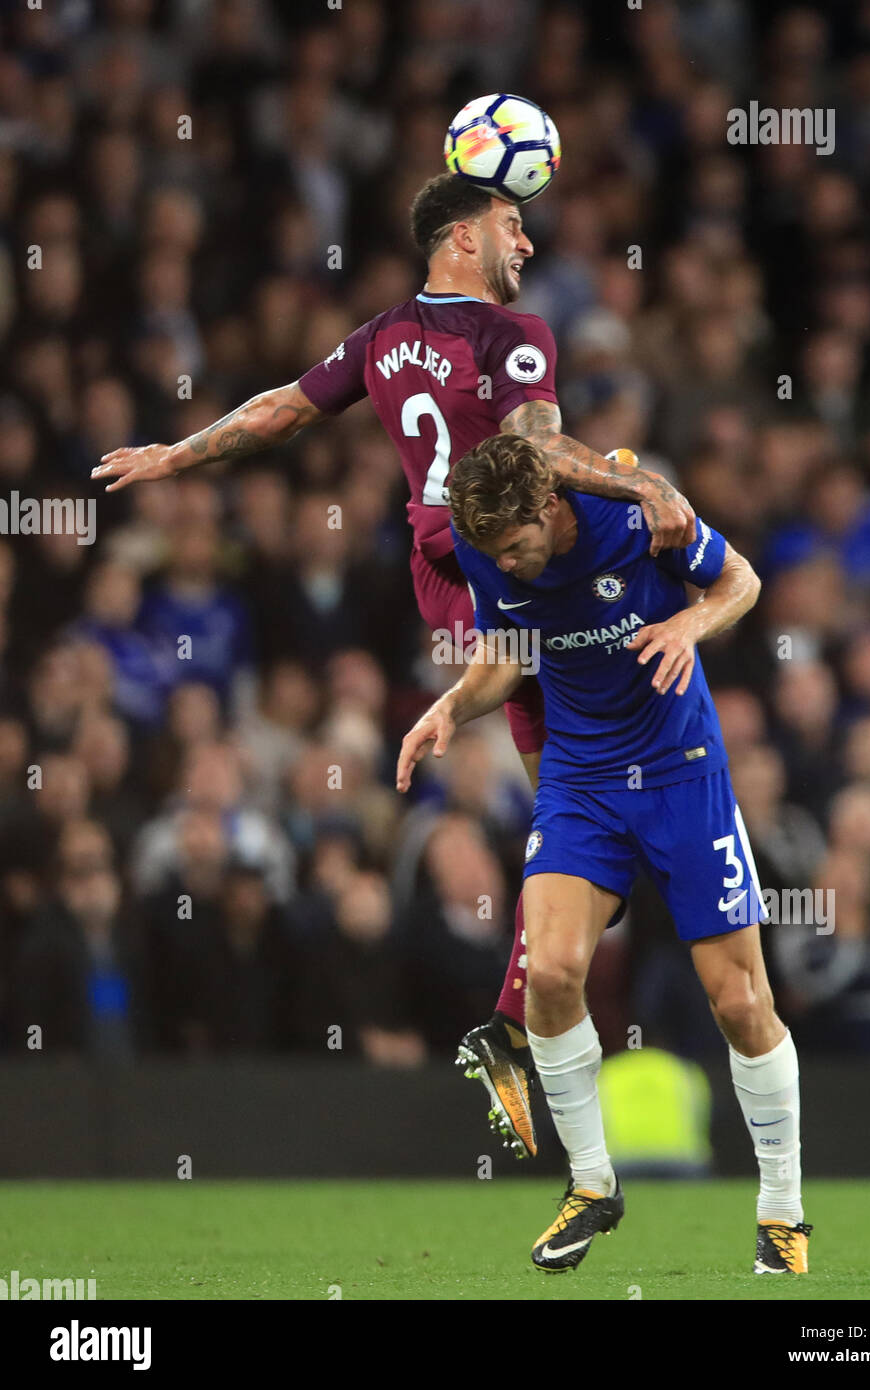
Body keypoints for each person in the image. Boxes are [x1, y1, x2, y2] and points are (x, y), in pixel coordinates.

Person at [92, 172, 696, 1158]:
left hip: (438, 566)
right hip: (506, 559)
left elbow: (282, 410)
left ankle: (510, 1026)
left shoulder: (377, 336)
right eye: (512, 226)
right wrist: (639, 480)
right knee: (597, 816)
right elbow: (536, 452)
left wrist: (175, 454)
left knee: (572, 814)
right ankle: (517, 1019)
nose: (527, 245)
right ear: (462, 237)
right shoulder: (515, 338)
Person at [396, 434, 812, 1275]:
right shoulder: (489, 555)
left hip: (681, 772)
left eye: (516, 547)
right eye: (493, 555)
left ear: (550, 509)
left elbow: (741, 580)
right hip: (581, 781)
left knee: (736, 1000)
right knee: (547, 973)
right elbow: (506, 660)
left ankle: (781, 1213)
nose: (507, 566)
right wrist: (451, 705)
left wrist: (688, 625)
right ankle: (592, 1184)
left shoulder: (640, 517)